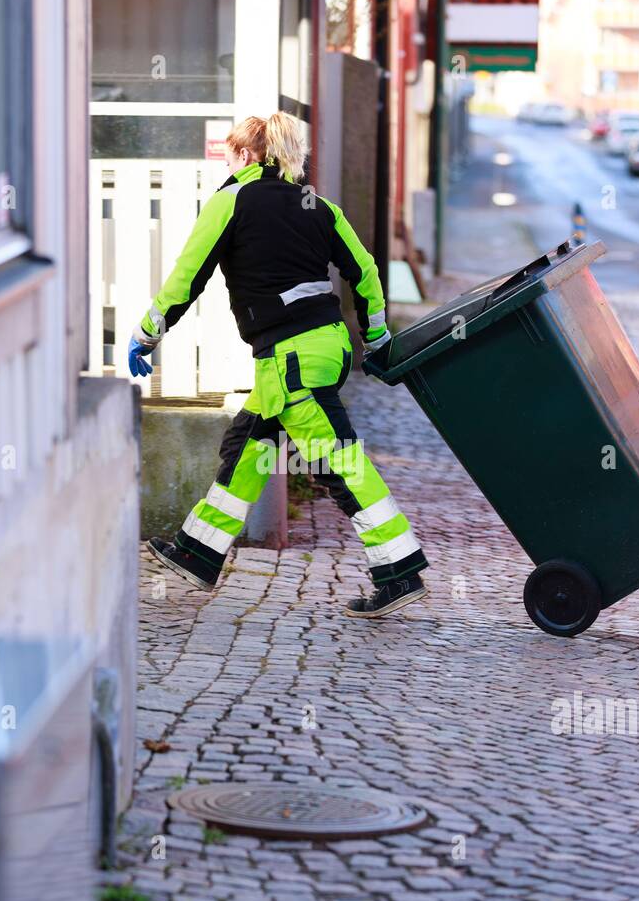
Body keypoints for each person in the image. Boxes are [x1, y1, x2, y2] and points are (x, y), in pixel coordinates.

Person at [128, 112, 427, 618]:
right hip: (320, 351)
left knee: (338, 463)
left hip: (291, 360)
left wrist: (146, 333)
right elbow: (367, 271)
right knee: (246, 447)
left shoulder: (232, 200)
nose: (226, 161)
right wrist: (376, 337)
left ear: (246, 155)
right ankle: (197, 552)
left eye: (230, 153)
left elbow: (187, 277)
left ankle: (399, 567)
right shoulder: (320, 206)